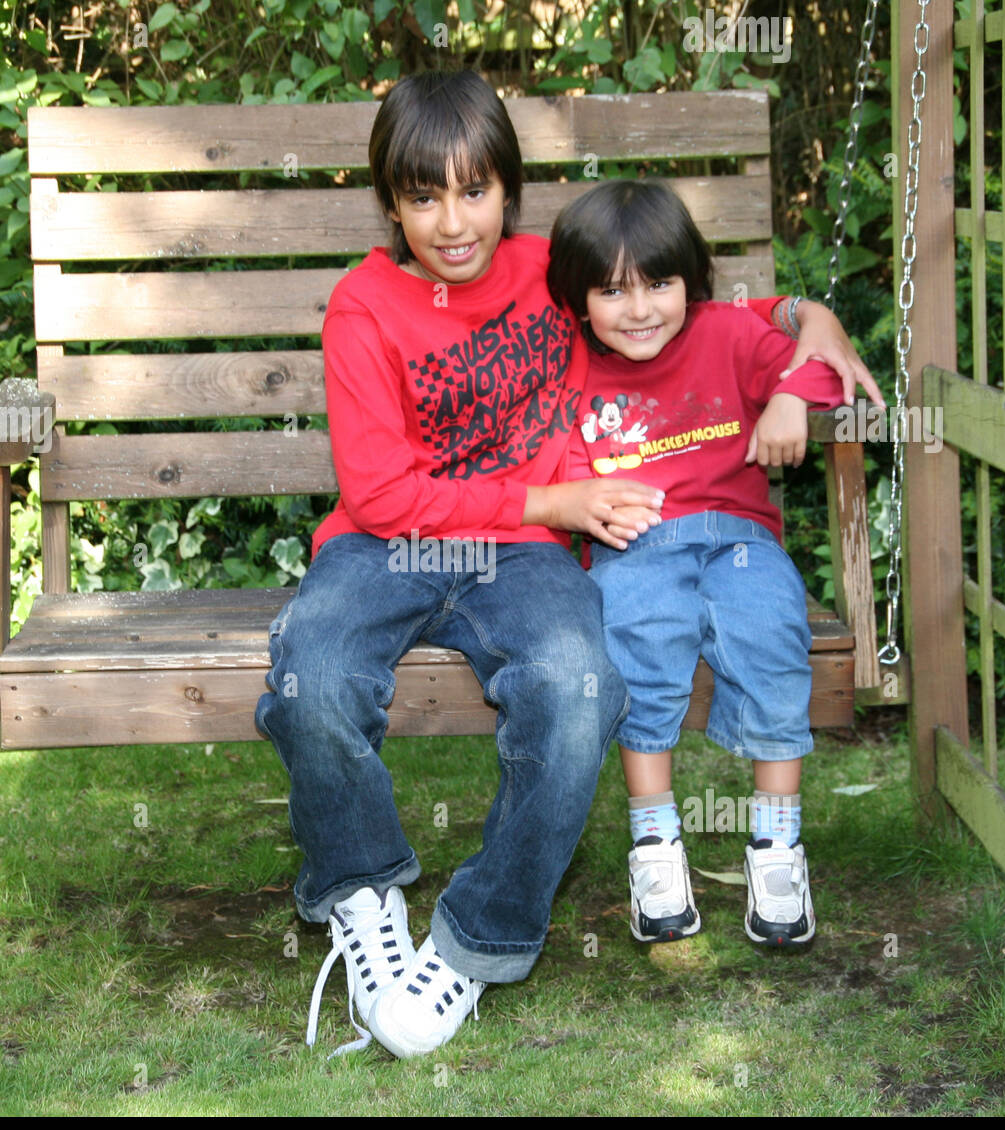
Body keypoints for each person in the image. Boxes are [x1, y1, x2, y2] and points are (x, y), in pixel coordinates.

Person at [256, 71, 877, 1060]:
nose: (452, 222)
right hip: (391, 544)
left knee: (580, 684)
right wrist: (549, 498)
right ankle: (363, 895)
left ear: (510, 191)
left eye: (475, 191)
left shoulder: (554, 271)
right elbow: (379, 496)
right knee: (311, 675)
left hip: (524, 557)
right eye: (424, 197)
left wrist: (817, 320)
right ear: (390, 203)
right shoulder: (363, 308)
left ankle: (479, 936)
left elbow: (712, 309)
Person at [548, 177, 856, 953]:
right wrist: (580, 499)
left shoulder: (727, 334)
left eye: (660, 281)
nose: (642, 307)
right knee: (636, 636)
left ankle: (777, 846)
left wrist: (790, 398)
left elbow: (818, 360)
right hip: (638, 541)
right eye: (613, 290)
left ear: (692, 280)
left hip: (737, 537)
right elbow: (547, 468)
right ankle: (655, 845)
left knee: (770, 627)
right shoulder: (567, 366)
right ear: (578, 301)